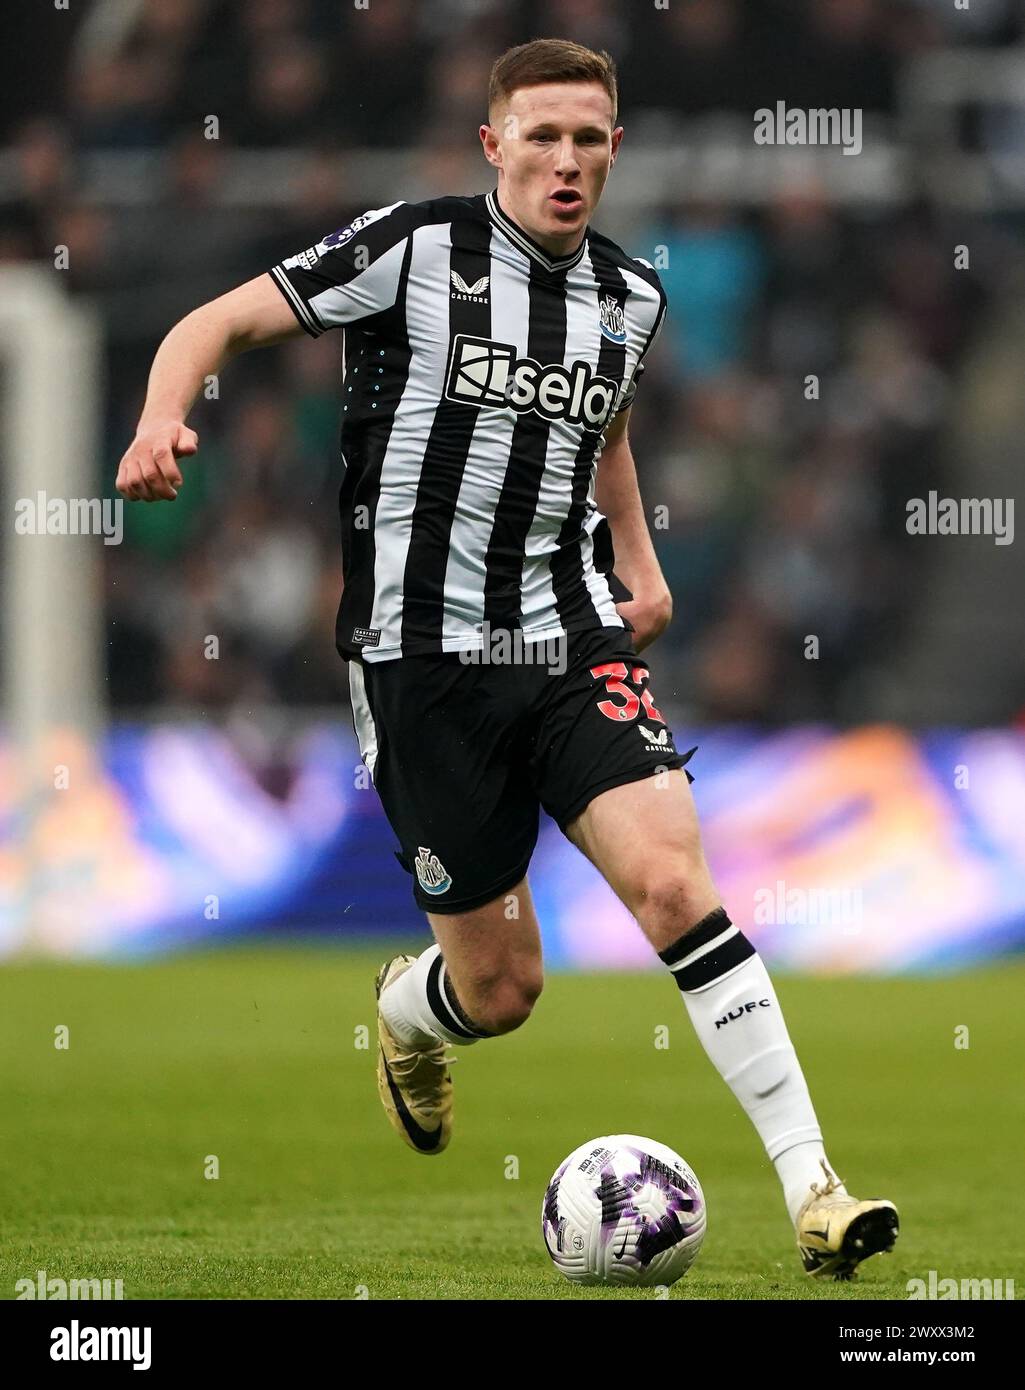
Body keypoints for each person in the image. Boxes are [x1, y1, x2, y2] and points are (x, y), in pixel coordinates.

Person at [116, 38, 898, 1281]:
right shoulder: (411, 250)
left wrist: (637, 566)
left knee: (673, 887)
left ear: (614, 150)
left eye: (588, 138)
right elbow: (217, 319)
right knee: (501, 990)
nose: (566, 160)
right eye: (541, 135)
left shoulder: (629, 298)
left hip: (567, 635)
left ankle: (814, 1186)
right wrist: (164, 415)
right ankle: (403, 1011)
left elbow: (607, 429)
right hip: (419, 663)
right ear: (494, 146)